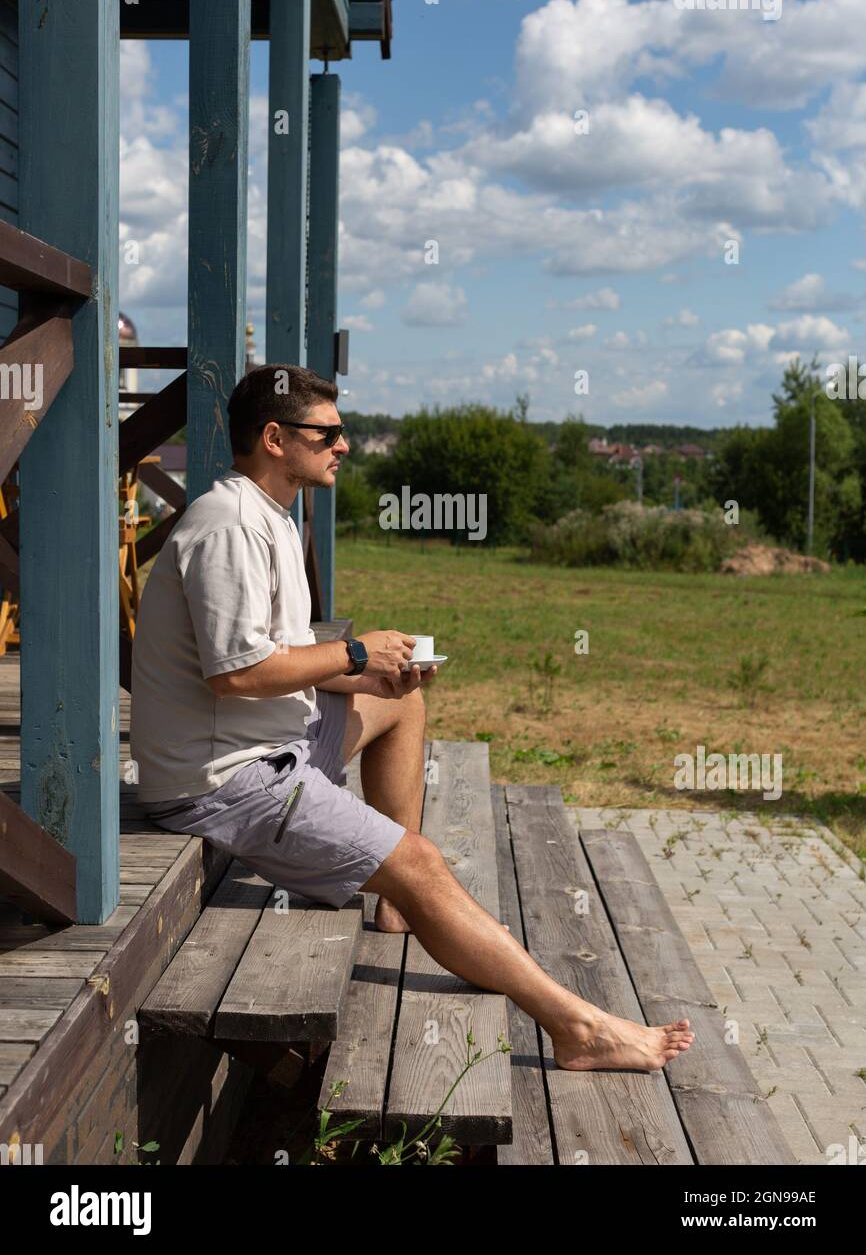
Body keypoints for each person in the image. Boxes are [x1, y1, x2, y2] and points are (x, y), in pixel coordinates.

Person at [130, 364, 695, 1072]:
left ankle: (398, 903)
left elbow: (280, 652)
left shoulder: (269, 512)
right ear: (274, 438)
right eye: (328, 433)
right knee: (422, 863)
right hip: (225, 783)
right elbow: (238, 672)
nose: (344, 445)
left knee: (400, 698)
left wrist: (369, 671)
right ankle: (578, 1027)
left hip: (271, 742)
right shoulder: (230, 526)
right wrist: (355, 648)